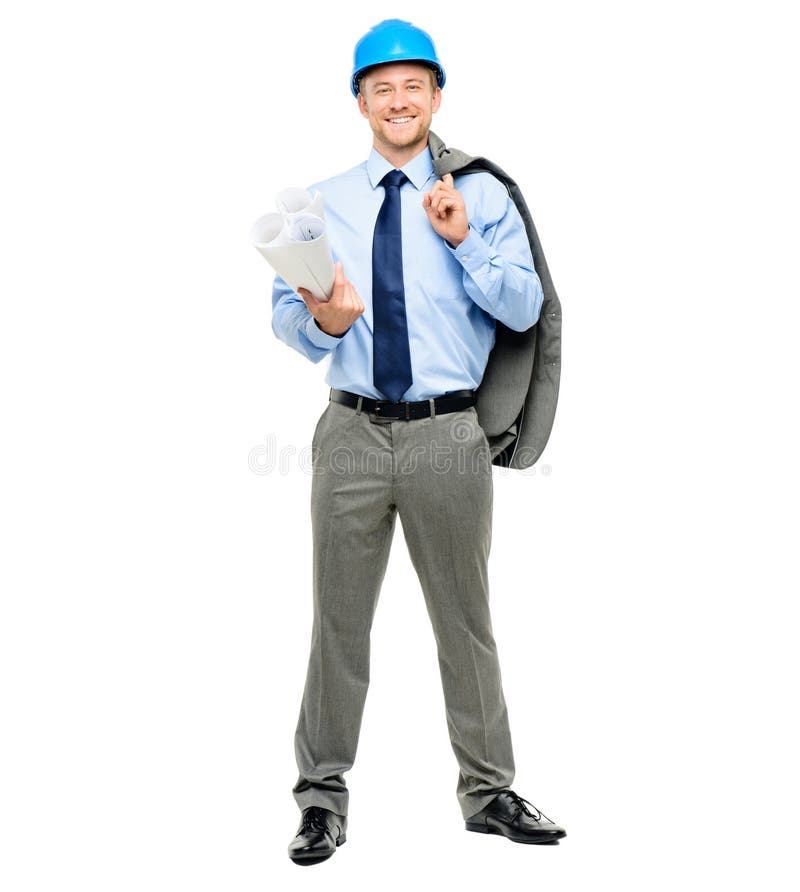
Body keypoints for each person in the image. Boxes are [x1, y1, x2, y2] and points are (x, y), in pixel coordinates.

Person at [270, 19, 567, 865]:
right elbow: (287, 311)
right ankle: (321, 798)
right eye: (380, 88)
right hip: (353, 431)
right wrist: (321, 322)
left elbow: (524, 309)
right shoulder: (322, 202)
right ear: (360, 102)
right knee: (338, 621)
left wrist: (463, 240)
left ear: (436, 97)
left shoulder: (481, 197)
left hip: (449, 434)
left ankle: (489, 791)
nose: (397, 101)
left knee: (465, 621)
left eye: (413, 87)